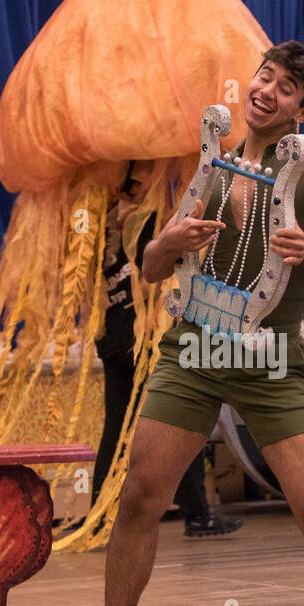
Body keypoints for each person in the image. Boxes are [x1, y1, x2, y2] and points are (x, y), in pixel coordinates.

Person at [60, 40, 304, 606]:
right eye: (264, 76)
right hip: (194, 349)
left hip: (270, 355)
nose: (267, 91)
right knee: (141, 497)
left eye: (286, 87)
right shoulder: (215, 161)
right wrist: (169, 240)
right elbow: (152, 268)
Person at [92, 162, 242, 538]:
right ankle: (198, 513)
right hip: (143, 336)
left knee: (119, 423)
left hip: (112, 333)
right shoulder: (145, 219)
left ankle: (98, 513)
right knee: (180, 420)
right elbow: (157, 267)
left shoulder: (104, 216)